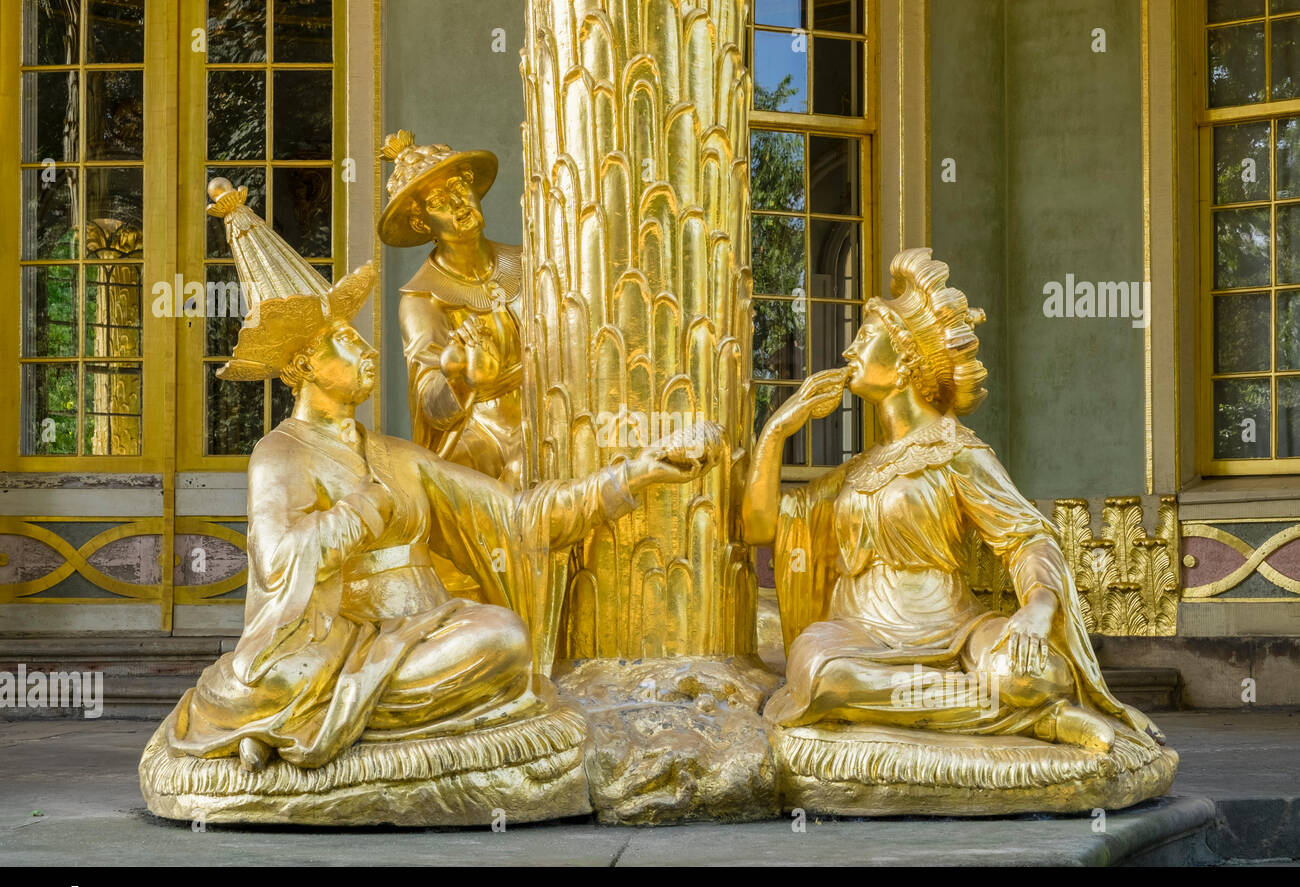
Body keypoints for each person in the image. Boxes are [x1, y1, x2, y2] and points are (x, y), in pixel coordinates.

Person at [166, 180, 725, 772]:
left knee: (503, 638)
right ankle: (301, 712)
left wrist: (636, 473)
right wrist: (363, 510)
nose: (367, 353)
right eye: (347, 342)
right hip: (332, 639)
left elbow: (517, 514)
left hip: (425, 630)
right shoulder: (279, 454)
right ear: (304, 364)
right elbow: (279, 561)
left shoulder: (398, 455)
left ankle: (311, 720)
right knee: (265, 678)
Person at [741, 248, 1166, 754]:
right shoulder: (855, 472)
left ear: (902, 363)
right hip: (857, 637)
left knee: (1032, 671)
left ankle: (1015, 702)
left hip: (956, 630)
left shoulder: (958, 453)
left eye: (863, 339)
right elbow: (760, 528)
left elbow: (1026, 538)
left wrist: (1037, 607)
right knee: (817, 673)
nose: (849, 351)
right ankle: (1027, 717)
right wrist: (776, 432)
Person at [378, 130, 526, 488]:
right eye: (439, 201)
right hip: (481, 430)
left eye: (460, 188)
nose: (459, 203)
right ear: (420, 222)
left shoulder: (528, 262)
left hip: (548, 407)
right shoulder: (421, 299)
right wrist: (463, 378)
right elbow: (431, 405)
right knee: (525, 466)